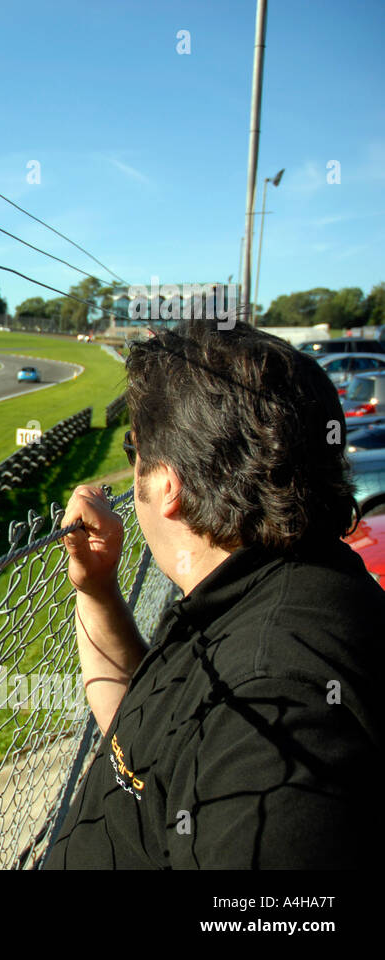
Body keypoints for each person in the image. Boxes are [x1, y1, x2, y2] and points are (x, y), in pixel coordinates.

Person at [44, 316, 385, 869]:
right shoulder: (261, 585)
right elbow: (145, 748)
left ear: (169, 487)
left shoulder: (274, 709)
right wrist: (98, 592)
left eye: (135, 451)